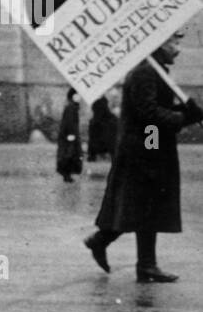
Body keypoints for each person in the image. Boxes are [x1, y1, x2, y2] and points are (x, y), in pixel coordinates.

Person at [84, 30, 203, 282]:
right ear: (159, 43)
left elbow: (156, 110)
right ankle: (139, 261)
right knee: (143, 205)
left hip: (149, 148)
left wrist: (186, 112)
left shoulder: (156, 71)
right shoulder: (145, 72)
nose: (178, 48)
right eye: (174, 42)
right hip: (143, 151)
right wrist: (182, 119)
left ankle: (119, 250)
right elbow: (148, 116)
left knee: (143, 206)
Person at [56, 88, 83, 183]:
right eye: (77, 95)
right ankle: (67, 174)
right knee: (69, 154)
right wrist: (71, 135)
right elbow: (69, 123)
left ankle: (67, 174)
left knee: (69, 154)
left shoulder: (72, 107)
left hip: (69, 136)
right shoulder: (71, 107)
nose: (79, 97)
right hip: (69, 136)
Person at [87, 95, 117, 161]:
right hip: (110, 150)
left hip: (98, 151)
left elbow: (91, 141)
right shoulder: (113, 119)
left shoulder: (93, 122)